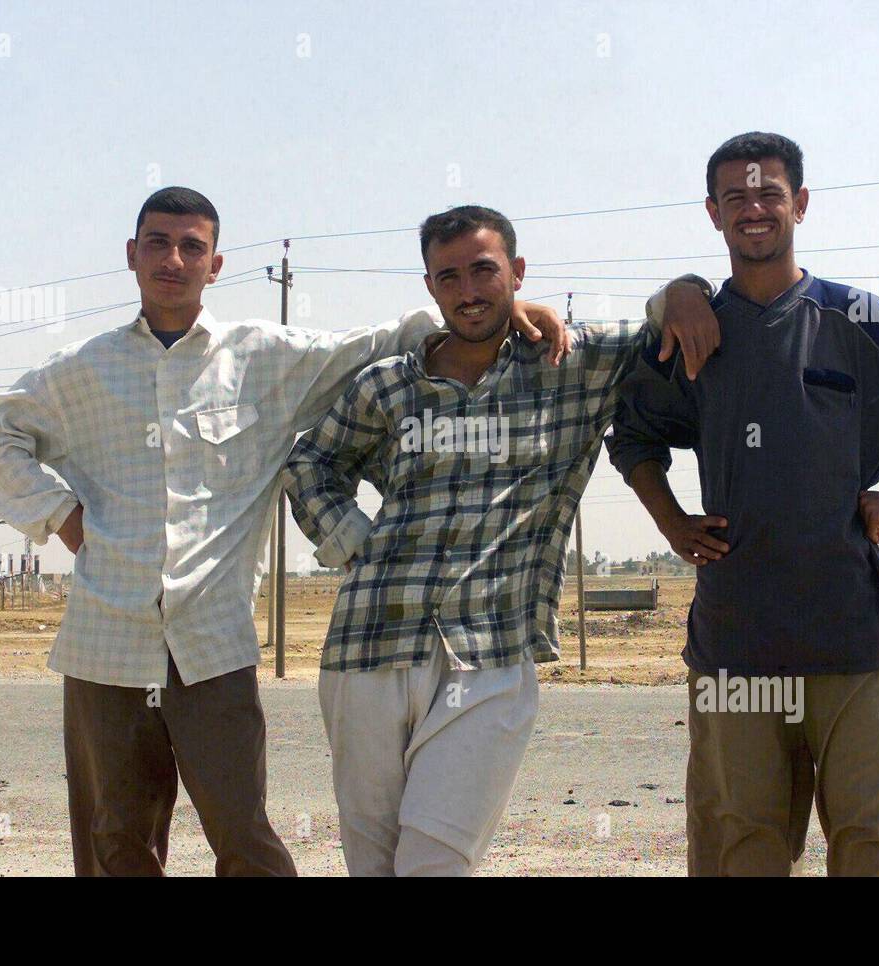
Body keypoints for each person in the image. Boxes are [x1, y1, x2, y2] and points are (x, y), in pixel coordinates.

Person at [0, 186, 577, 876]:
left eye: (192, 246)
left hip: (212, 646)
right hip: (104, 644)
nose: (174, 258)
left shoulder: (262, 359)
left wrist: (502, 314)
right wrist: (61, 519)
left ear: (216, 263)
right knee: (115, 846)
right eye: (159, 243)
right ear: (132, 255)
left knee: (246, 840)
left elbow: (386, 341)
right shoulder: (82, 372)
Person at [605, 133, 879, 876]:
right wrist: (669, 521)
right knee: (738, 849)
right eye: (736, 198)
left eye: (768, 195)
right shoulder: (692, 329)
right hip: (735, 647)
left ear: (801, 204)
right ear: (713, 213)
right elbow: (633, 433)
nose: (753, 210)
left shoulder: (858, 316)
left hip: (853, 642)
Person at [282, 204, 718, 875]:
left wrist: (686, 289)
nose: (468, 290)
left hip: (490, 651)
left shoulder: (573, 362)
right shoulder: (387, 385)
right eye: (448, 276)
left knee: (433, 860)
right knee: (372, 865)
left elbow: (662, 319)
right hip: (367, 645)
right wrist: (355, 543)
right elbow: (310, 462)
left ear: (517, 271)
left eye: (484, 270)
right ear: (430, 288)